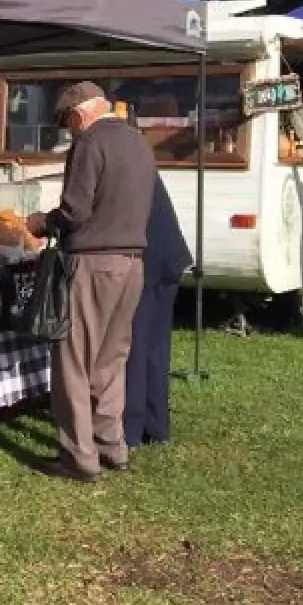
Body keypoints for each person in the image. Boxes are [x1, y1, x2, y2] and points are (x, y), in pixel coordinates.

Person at [29, 81, 158, 481]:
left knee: (73, 361)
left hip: (92, 263)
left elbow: (75, 211)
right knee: (110, 359)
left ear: (79, 114)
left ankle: (79, 457)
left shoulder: (88, 144)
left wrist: (41, 222)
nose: (69, 130)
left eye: (68, 122)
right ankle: (111, 445)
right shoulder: (138, 141)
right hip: (132, 262)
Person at [123, 179, 191, 448]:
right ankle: (156, 424)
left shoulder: (111, 151)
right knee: (155, 346)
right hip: (166, 255)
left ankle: (131, 428)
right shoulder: (138, 152)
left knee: (136, 345)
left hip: (148, 258)